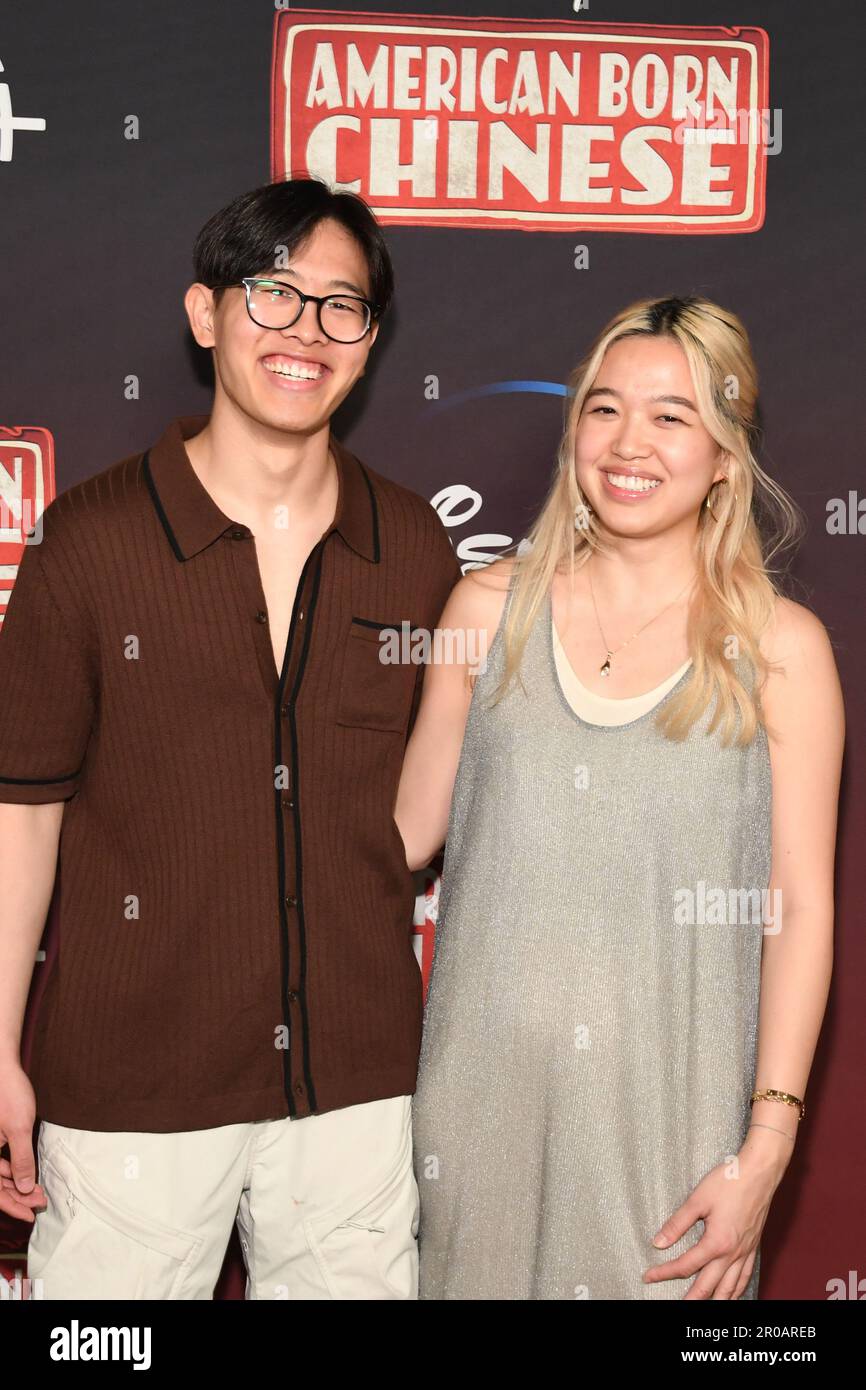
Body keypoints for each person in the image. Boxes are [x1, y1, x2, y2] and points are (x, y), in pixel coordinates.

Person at [0, 176, 461, 1299]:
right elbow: (22, 807)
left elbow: (420, 821)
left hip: (354, 1090)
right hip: (131, 1089)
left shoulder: (411, 547)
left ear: (368, 340)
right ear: (205, 315)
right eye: (270, 292)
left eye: (338, 305)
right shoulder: (91, 542)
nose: (304, 331)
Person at [395, 295, 844, 1299]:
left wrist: (765, 1145)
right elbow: (395, 842)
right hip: (466, 1135)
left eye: (671, 415)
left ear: (725, 455)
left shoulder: (781, 650)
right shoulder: (486, 610)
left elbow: (800, 908)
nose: (626, 441)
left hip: (673, 1150)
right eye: (602, 408)